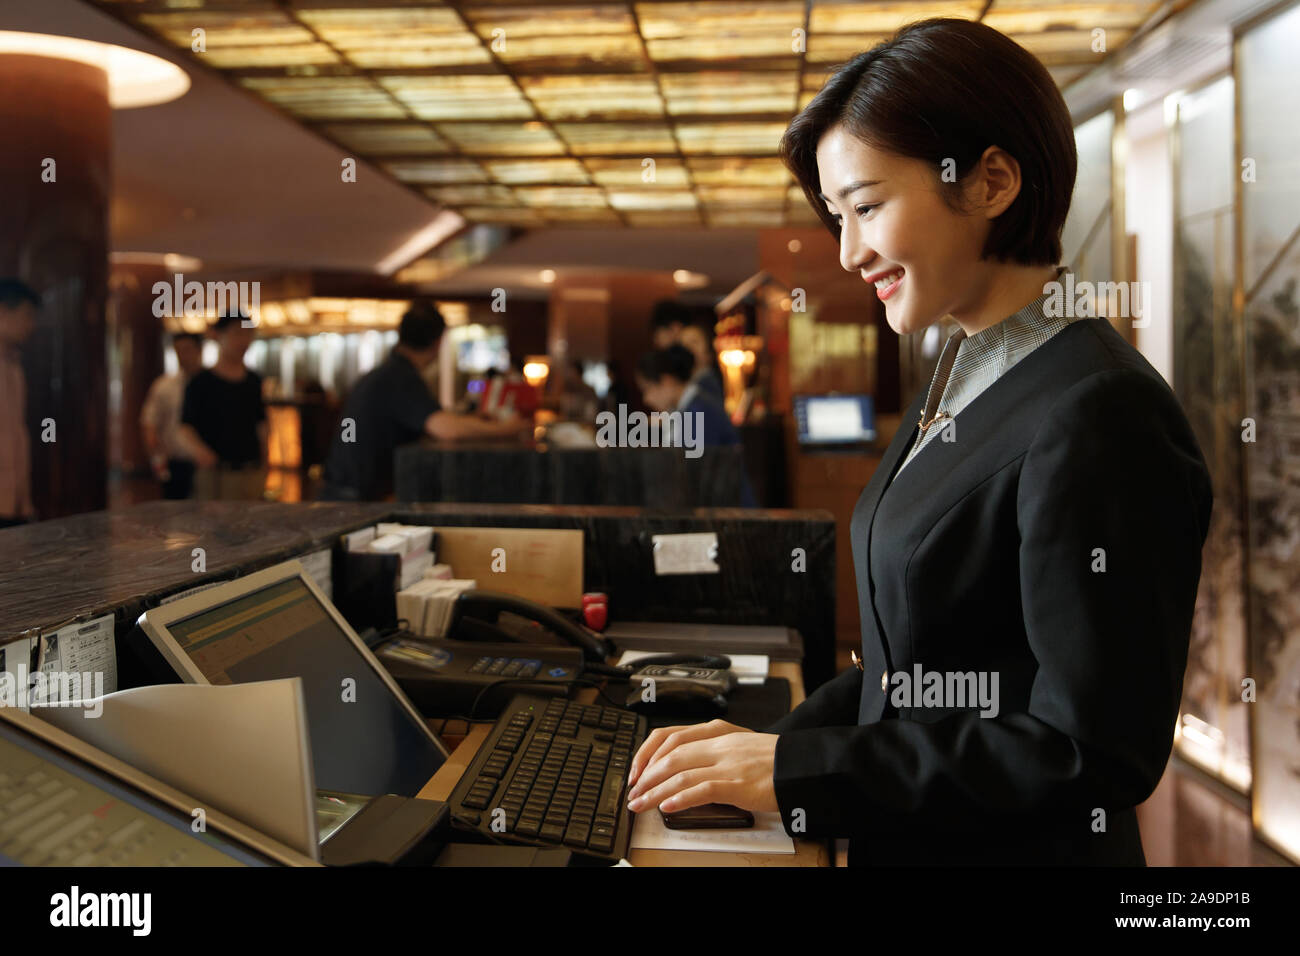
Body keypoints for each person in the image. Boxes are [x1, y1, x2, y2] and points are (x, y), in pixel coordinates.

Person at [625, 17, 1213, 866]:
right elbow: (922, 663)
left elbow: (1087, 750)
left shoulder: (1101, 410)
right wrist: (767, 748)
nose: (849, 249)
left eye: (866, 207)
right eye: (837, 216)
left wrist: (797, 767)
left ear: (992, 182)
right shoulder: (963, 363)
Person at [320, 301, 528, 501]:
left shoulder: (388, 373)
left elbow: (436, 420)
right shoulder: (401, 377)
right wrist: (506, 429)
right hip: (353, 500)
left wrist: (473, 419)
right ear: (438, 343)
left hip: (346, 491)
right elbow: (447, 429)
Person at [636, 344, 756, 507]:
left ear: (667, 381)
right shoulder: (688, 408)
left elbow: (694, 477)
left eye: (647, 389)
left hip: (730, 512)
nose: (646, 399)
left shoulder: (699, 411)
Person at [178, 313, 267, 500]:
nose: (243, 341)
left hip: (251, 470)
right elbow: (185, 426)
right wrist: (202, 453)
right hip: (216, 475)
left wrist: (266, 462)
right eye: (237, 333)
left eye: (248, 334)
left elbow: (262, 424)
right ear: (218, 336)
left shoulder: (254, 380)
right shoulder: (201, 382)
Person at [140, 332, 204, 499]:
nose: (183, 356)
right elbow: (149, 423)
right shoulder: (164, 386)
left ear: (199, 350)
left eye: (188, 349)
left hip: (207, 462)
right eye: (179, 351)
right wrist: (157, 461)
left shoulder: (211, 383)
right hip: (176, 461)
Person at [0, 278, 38, 527]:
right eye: (26, 315)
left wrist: (23, 501)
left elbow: (16, 437)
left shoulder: (13, 366)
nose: (31, 325)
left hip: (11, 504)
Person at [649, 299, 724, 401]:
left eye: (694, 342)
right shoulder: (692, 380)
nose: (687, 348)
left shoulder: (706, 383)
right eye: (683, 344)